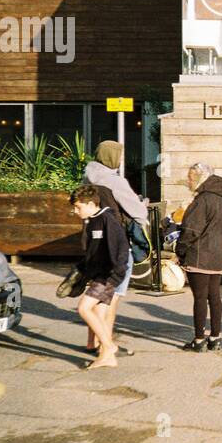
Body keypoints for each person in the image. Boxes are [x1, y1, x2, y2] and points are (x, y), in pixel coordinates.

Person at [82, 140, 146, 359]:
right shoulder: (113, 181)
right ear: (112, 157)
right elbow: (137, 211)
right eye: (119, 155)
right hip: (115, 243)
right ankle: (106, 344)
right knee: (111, 298)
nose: (121, 159)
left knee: (98, 292)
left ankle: (93, 342)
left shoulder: (87, 177)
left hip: (94, 243)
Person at [70, 185, 129, 370]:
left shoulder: (107, 220)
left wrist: (115, 276)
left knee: (83, 308)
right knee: (98, 313)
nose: (75, 211)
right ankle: (106, 355)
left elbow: (120, 249)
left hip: (109, 276)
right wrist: (83, 271)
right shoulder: (92, 220)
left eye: (78, 207)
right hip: (100, 275)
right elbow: (93, 253)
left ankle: (109, 346)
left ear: (90, 204)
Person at [175, 162, 222, 352]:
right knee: (214, 297)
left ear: (200, 178)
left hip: (199, 254)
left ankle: (199, 340)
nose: (188, 181)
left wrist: (180, 250)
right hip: (217, 254)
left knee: (200, 298)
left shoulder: (201, 200)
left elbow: (191, 231)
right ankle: (215, 338)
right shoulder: (221, 200)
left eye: (191, 177)